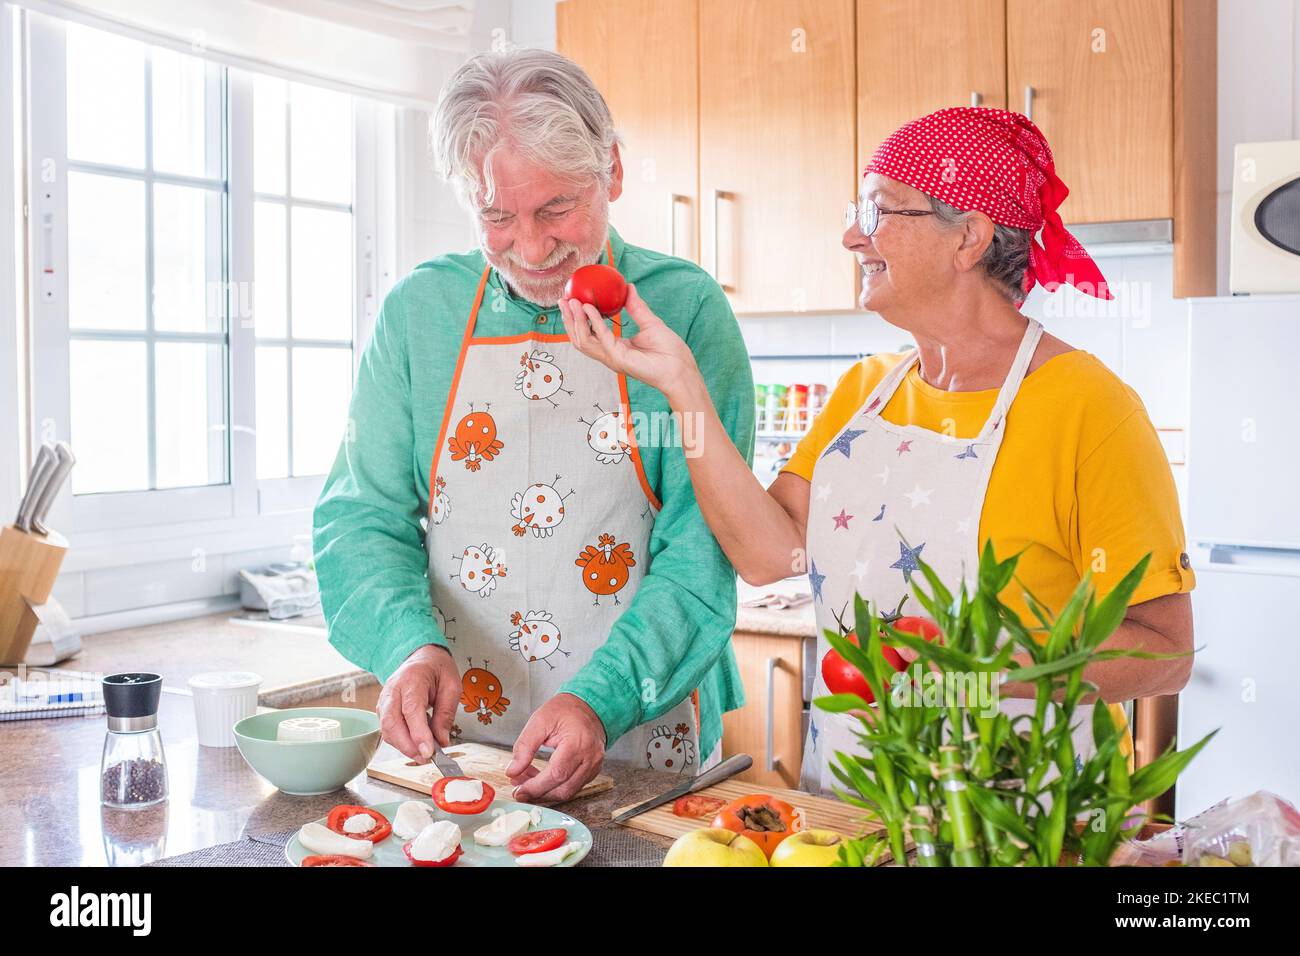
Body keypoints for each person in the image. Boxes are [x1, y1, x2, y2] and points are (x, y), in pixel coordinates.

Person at [560, 107, 1194, 793]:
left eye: (880, 210)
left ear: (969, 237)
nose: (851, 236)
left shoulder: (1089, 408)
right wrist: (681, 383)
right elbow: (768, 554)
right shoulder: (863, 392)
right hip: (852, 804)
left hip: (1013, 817)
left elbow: (1166, 648)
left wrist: (990, 672)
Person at [313, 49, 754, 802]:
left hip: (639, 747)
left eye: (556, 209)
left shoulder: (684, 311)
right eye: (496, 216)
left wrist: (599, 699)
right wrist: (406, 648)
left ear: (611, 172)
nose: (533, 247)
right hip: (467, 754)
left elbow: (702, 551)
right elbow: (362, 516)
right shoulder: (421, 314)